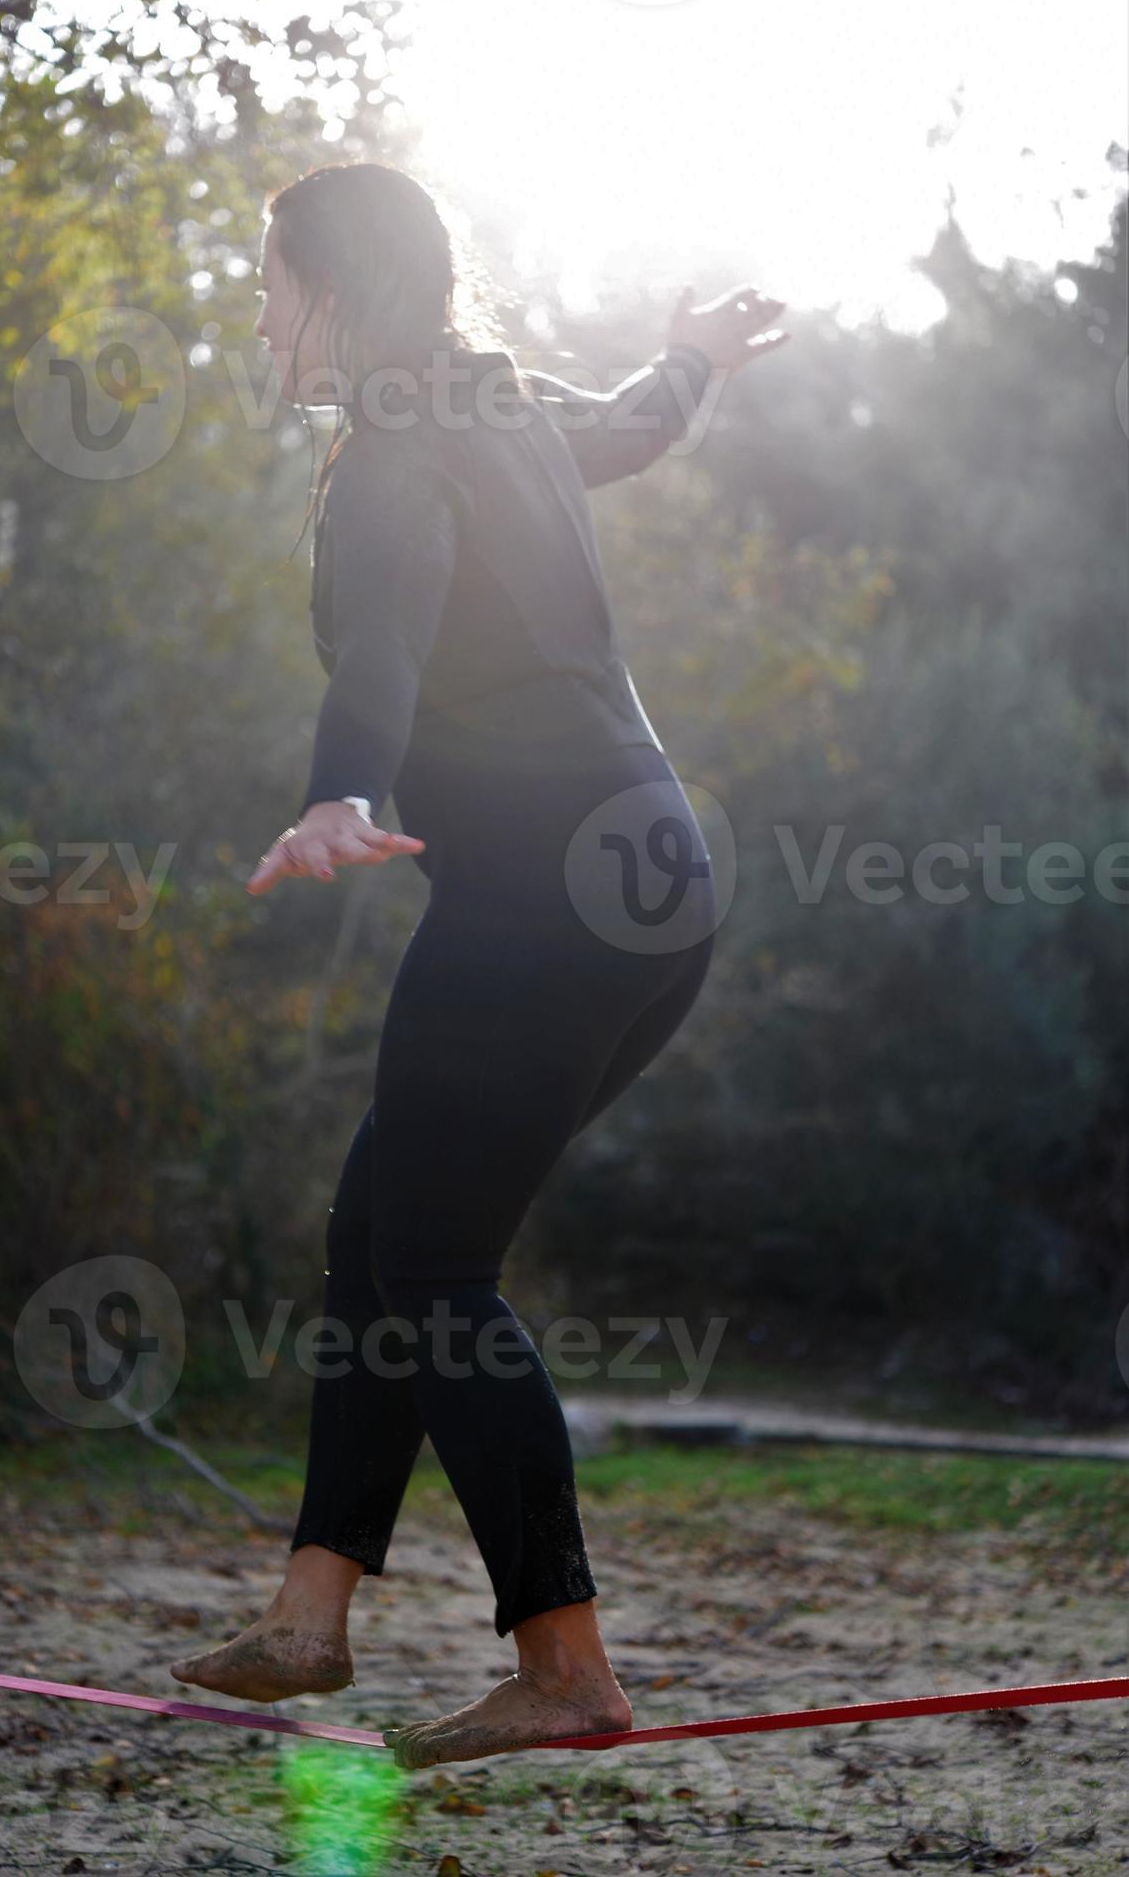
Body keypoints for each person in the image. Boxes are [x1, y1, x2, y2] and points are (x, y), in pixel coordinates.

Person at [170, 162, 787, 1769]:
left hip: (542, 898)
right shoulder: (498, 410)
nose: (255, 307)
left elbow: (381, 637)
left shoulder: (391, 457)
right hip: (658, 880)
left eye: (267, 277)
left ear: (335, 289)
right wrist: (697, 359)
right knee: (387, 1229)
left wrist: (340, 791)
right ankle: (311, 1616)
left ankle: (565, 1663)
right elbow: (634, 427)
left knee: (433, 1272)